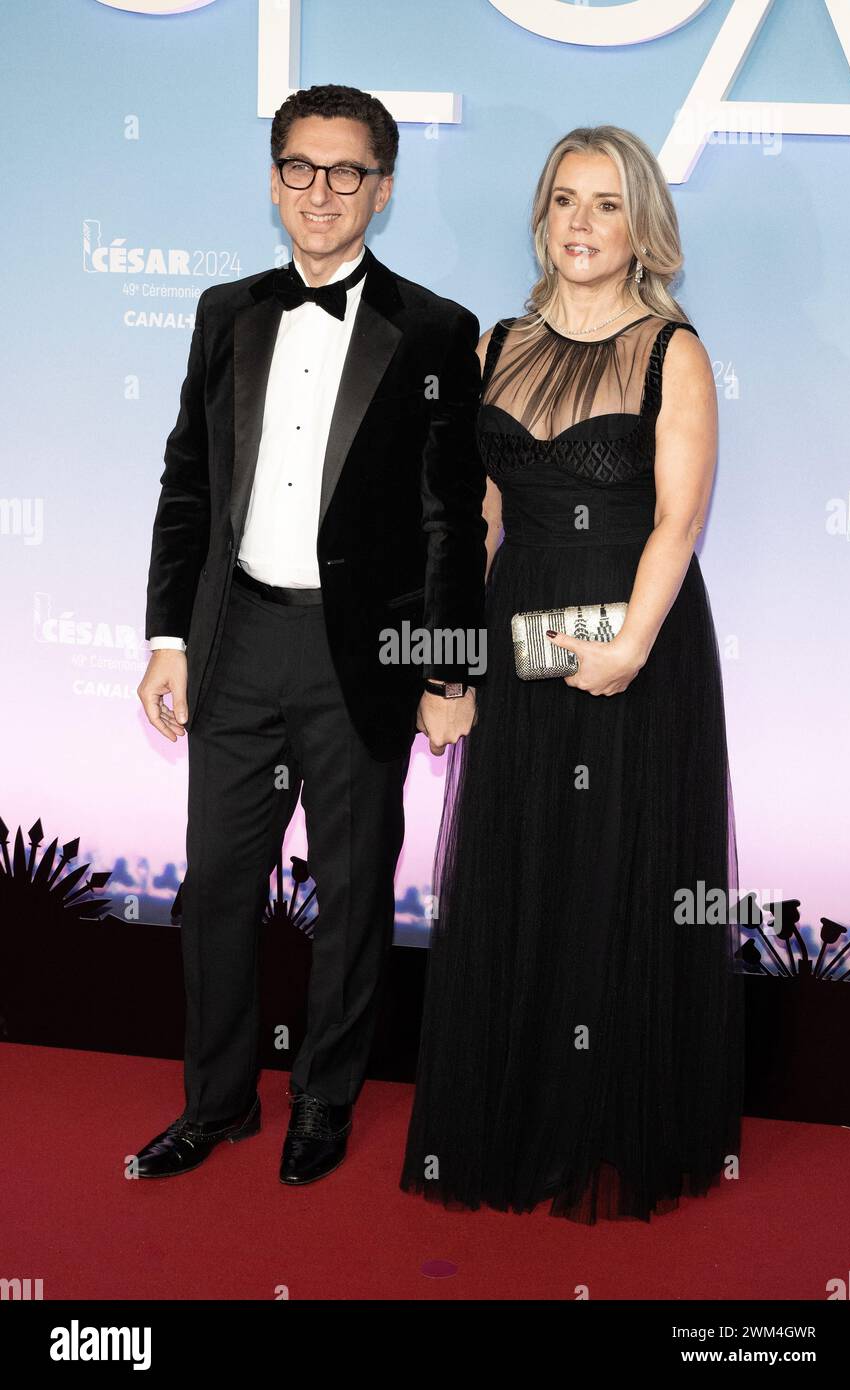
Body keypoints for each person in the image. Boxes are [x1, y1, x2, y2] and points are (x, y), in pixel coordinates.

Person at [134, 84, 486, 1184]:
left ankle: (323, 1101)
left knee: (350, 892)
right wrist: (167, 639)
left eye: (345, 172)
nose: (319, 191)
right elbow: (186, 485)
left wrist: (446, 668)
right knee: (220, 888)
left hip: (362, 661)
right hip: (234, 643)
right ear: (273, 175)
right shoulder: (221, 311)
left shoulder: (435, 329)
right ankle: (218, 1101)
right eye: (299, 166)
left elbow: (447, 521)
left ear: (381, 188)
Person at [400, 125, 745, 1223]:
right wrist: (452, 669)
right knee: (523, 866)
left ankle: (606, 1120)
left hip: (631, 639)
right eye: (563, 200)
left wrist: (630, 646)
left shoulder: (668, 349)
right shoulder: (495, 342)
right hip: (521, 636)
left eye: (605, 203)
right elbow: (479, 520)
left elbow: (678, 524)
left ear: (639, 222)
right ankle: (522, 1113)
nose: (581, 223)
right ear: (541, 215)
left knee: (616, 873)